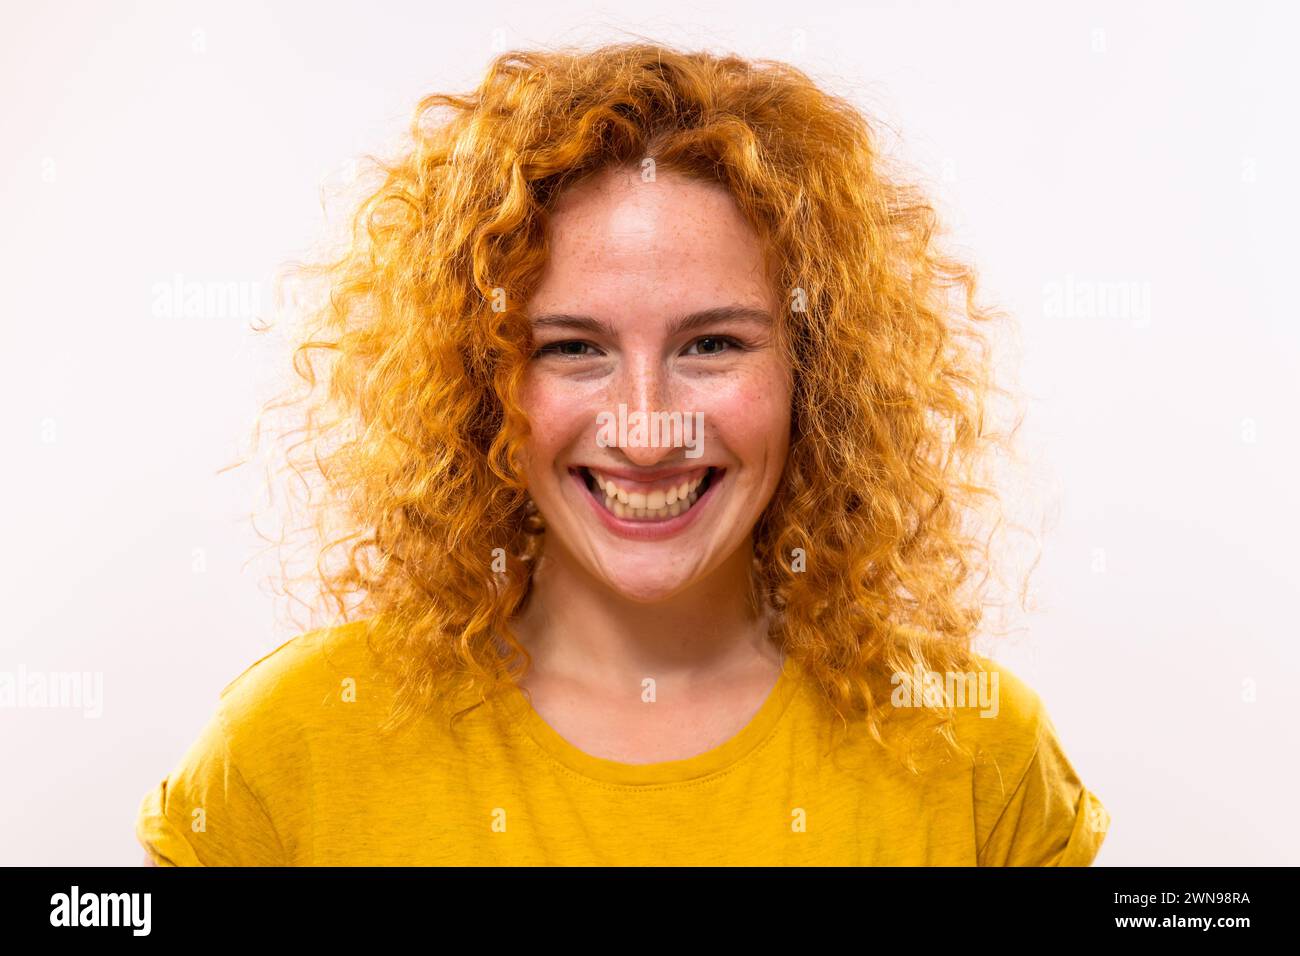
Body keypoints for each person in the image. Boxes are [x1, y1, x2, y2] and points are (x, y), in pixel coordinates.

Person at [136, 41, 1109, 866]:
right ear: (482, 380)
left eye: (712, 344)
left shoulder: (976, 754)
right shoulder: (292, 748)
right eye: (572, 348)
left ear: (816, 370)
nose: (645, 429)